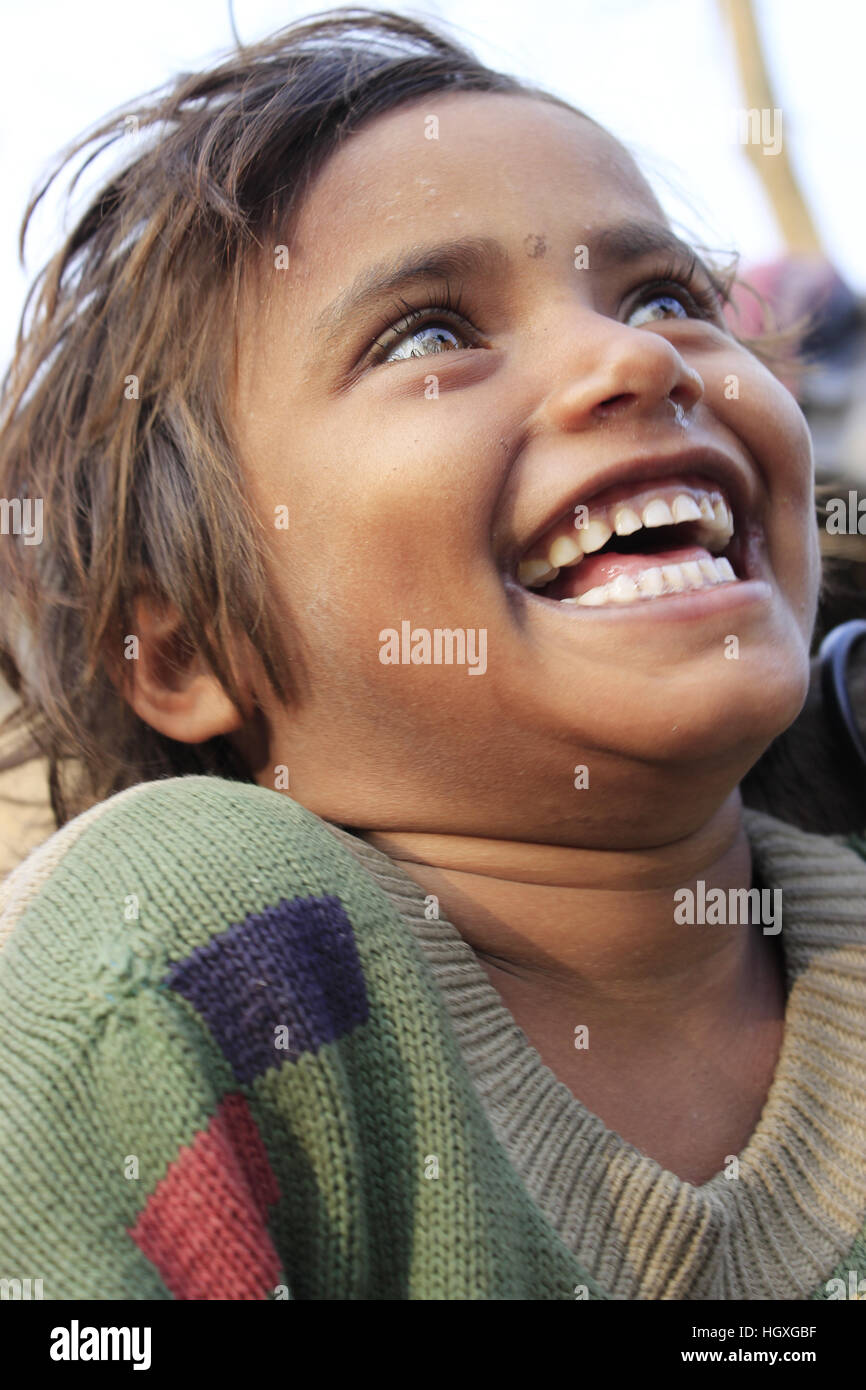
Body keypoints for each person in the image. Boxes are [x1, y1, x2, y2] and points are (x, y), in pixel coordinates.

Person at [0, 7, 864, 1301]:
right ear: (180, 647)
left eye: (667, 296)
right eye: (428, 335)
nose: (630, 357)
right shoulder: (195, 948)